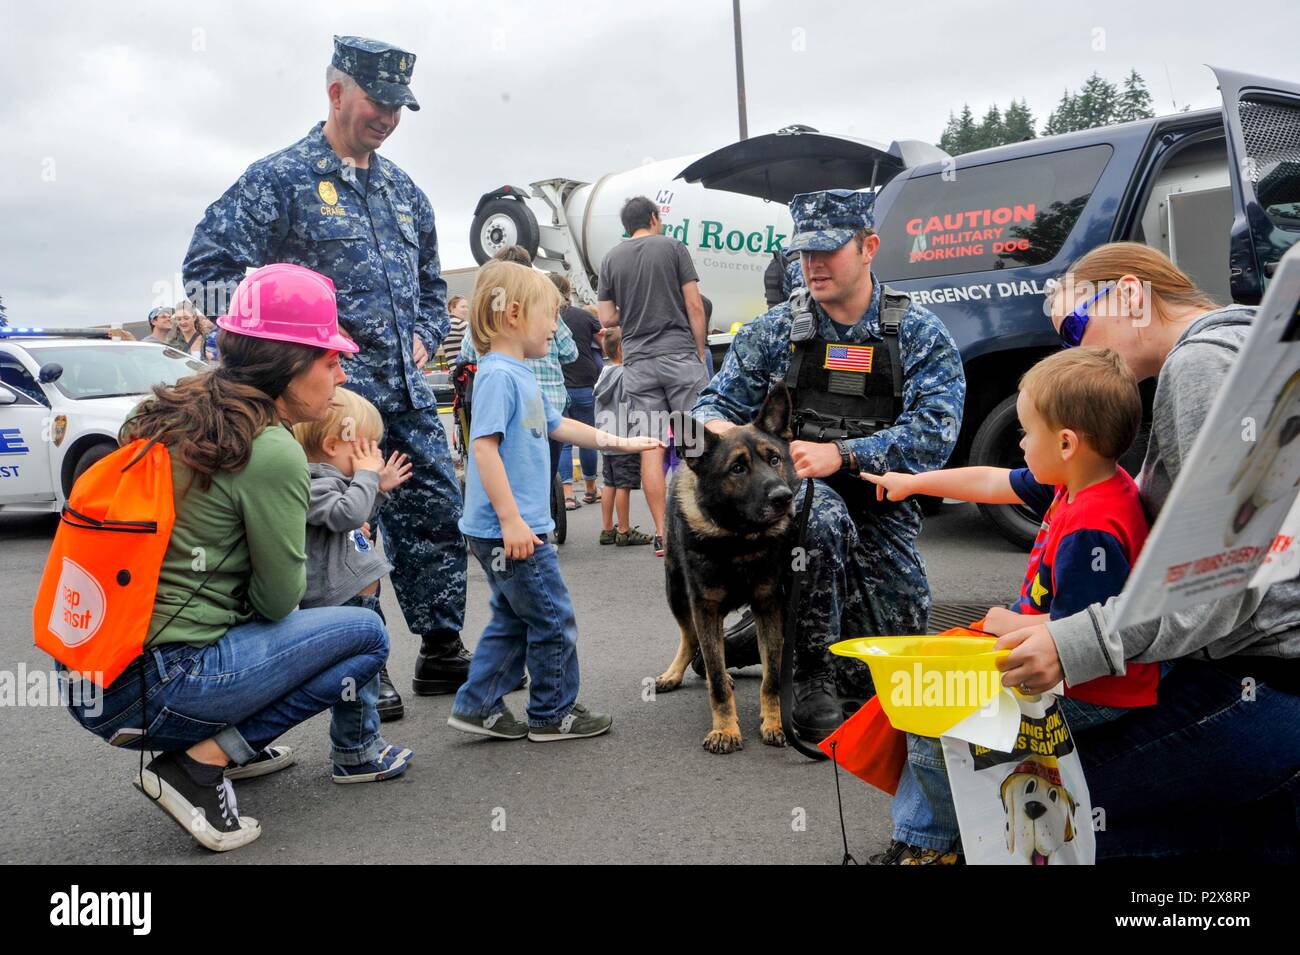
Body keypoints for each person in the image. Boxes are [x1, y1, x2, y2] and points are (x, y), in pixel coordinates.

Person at [60, 264, 413, 853]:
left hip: (89, 667)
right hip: (157, 685)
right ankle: (200, 763)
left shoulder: (158, 412)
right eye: (330, 359)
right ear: (289, 360)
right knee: (365, 634)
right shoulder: (271, 449)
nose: (341, 372)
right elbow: (280, 600)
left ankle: (218, 743)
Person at [974, 242, 1300, 860]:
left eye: (1075, 326)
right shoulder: (1248, 344)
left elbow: (1227, 573)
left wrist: (1077, 644)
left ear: (1129, 294)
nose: (1075, 351)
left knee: (1035, 800)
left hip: (1264, 681)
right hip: (1271, 676)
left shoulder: (1201, 363)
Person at [183, 37, 466, 711]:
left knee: (434, 509)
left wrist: (426, 336)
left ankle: (441, 644)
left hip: (403, 391)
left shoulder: (405, 192)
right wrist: (277, 358)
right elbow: (208, 272)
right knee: (345, 529)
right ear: (336, 91)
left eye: (400, 106)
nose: (390, 117)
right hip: (329, 400)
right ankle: (363, 659)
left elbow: (431, 282)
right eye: (378, 101)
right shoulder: (280, 180)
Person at [691, 189, 966, 740]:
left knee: (890, 663)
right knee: (818, 519)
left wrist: (843, 454)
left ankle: (755, 635)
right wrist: (727, 434)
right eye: (803, 253)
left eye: (828, 250)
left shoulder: (916, 333)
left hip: (882, 507)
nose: (812, 265)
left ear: (869, 248)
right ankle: (810, 674)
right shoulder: (776, 330)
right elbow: (710, 407)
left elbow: (936, 435)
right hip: (799, 507)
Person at [864, 346, 1153, 863]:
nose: (1018, 443)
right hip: (1055, 657)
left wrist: (1012, 620)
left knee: (934, 710)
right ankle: (925, 837)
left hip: (1095, 685)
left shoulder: (1092, 529)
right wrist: (912, 483)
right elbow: (991, 482)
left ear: (1065, 442)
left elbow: (1085, 634)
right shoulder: (1077, 482)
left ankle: (930, 848)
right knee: (921, 687)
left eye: (1025, 432)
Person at [447, 261, 661, 739]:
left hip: (504, 528)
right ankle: (552, 712)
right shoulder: (500, 377)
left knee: (513, 619)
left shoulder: (516, 373)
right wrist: (512, 522)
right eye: (550, 316)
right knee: (552, 616)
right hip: (511, 529)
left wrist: (620, 443)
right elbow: (483, 449)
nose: (555, 327)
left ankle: (477, 705)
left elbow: (557, 425)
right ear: (515, 314)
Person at [292, 387, 414, 721]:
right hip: (341, 601)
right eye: (365, 448)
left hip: (358, 601)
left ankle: (363, 744)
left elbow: (350, 517)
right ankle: (355, 751)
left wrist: (377, 489)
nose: (373, 456)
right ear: (332, 445)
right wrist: (367, 477)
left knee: (366, 681)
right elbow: (347, 515)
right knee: (356, 684)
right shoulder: (314, 482)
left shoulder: (335, 482)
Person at [597, 196, 710, 556]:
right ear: (653, 218)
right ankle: (699, 527)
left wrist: (630, 310)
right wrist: (698, 351)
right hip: (679, 355)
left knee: (652, 445)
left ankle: (663, 534)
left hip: (639, 362)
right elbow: (694, 304)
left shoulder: (611, 258)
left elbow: (605, 319)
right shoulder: (673, 247)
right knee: (694, 442)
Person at [457, 248, 579, 483]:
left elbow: (467, 353)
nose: (551, 326)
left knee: (519, 477)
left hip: (522, 409)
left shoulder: (484, 315)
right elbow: (570, 352)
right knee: (538, 476)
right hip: (548, 397)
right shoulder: (500, 376)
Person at [593, 327, 654, 546]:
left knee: (609, 483)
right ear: (622, 348)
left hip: (606, 438)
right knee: (623, 486)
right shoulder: (626, 374)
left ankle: (607, 528)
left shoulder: (604, 373)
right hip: (625, 438)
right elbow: (632, 404)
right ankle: (625, 530)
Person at [553, 273, 603, 509]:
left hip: (559, 383)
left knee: (563, 442)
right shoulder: (584, 315)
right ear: (566, 290)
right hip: (584, 380)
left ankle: (568, 494)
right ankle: (591, 489)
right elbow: (603, 343)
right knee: (587, 438)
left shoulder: (545, 317)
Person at [439, 295, 469, 367]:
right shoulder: (461, 324)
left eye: (467, 307)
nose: (466, 310)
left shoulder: (444, 325)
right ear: (452, 308)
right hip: (465, 371)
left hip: (453, 369)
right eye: (463, 307)